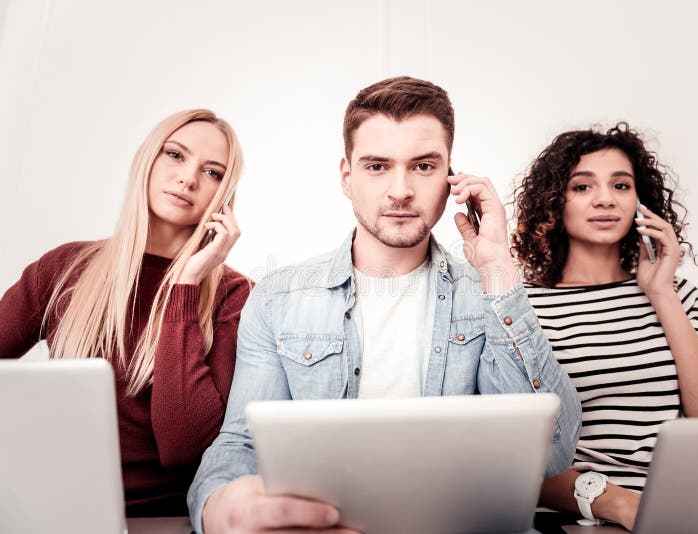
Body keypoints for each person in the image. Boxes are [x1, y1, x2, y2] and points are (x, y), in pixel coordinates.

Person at [188, 76, 582, 534]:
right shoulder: (278, 298)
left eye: (423, 166)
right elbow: (239, 443)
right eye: (377, 166)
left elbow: (553, 452)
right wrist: (220, 507)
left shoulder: (494, 295)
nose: (400, 190)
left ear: (452, 176)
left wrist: (497, 268)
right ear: (346, 176)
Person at [0, 109, 251, 516]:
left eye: (213, 173)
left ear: (225, 196)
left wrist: (186, 286)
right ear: (147, 160)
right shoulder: (63, 268)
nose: (188, 178)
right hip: (56, 510)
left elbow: (183, 448)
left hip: (165, 517)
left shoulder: (235, 296)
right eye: (175, 155)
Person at [511, 123, 698, 531]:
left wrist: (661, 293)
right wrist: (619, 505)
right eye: (582, 187)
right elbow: (511, 455)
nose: (605, 199)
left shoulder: (677, 295)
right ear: (553, 201)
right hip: (574, 517)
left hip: (677, 513)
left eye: (621, 186)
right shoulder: (520, 307)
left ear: (641, 202)